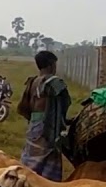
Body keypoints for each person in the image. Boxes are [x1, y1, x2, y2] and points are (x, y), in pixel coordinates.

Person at [17, 50, 72, 180]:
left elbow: (25, 107)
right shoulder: (54, 83)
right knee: (49, 158)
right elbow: (65, 102)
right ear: (51, 65)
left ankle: (27, 181)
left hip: (34, 126)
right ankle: (46, 185)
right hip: (47, 127)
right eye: (55, 64)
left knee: (31, 158)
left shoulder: (32, 81)